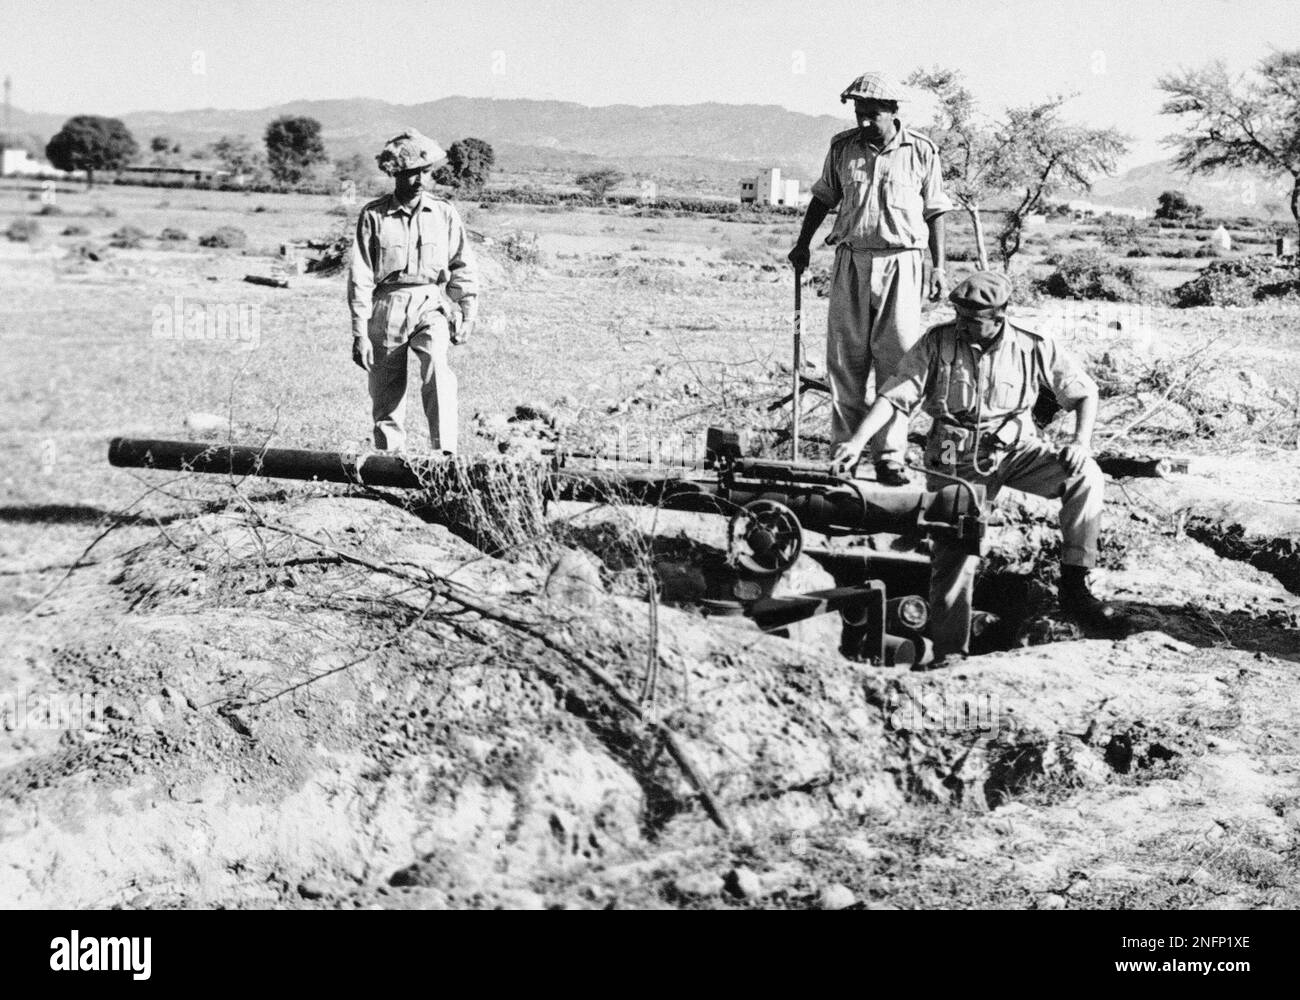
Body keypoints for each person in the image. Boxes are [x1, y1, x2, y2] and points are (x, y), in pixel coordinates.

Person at [830, 271, 1129, 660]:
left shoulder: (1032, 344)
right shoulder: (938, 342)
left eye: (974, 319)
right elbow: (894, 397)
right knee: (954, 557)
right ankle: (951, 653)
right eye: (959, 316)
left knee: (1085, 475)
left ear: (1000, 315)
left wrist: (1080, 442)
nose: (964, 326)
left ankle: (1074, 583)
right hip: (956, 462)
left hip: (1016, 450)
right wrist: (856, 442)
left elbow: (1084, 392)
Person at [789, 71, 953, 487]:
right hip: (851, 261)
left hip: (903, 263)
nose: (864, 121)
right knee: (845, 363)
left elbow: (935, 211)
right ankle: (843, 456)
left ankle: (889, 456)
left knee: (898, 361)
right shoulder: (843, 148)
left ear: (893, 112)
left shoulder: (921, 151)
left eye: (872, 114)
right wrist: (803, 245)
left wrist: (939, 267)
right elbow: (824, 197)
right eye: (859, 113)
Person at [347, 128, 479, 453]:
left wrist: (467, 311)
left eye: (425, 172)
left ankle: (444, 457)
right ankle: (389, 467)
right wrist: (359, 332)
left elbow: (463, 264)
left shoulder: (444, 213)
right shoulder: (374, 215)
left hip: (430, 303)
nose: (419, 180)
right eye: (410, 173)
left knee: (438, 370)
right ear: (395, 174)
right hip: (386, 305)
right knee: (386, 395)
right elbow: (360, 276)